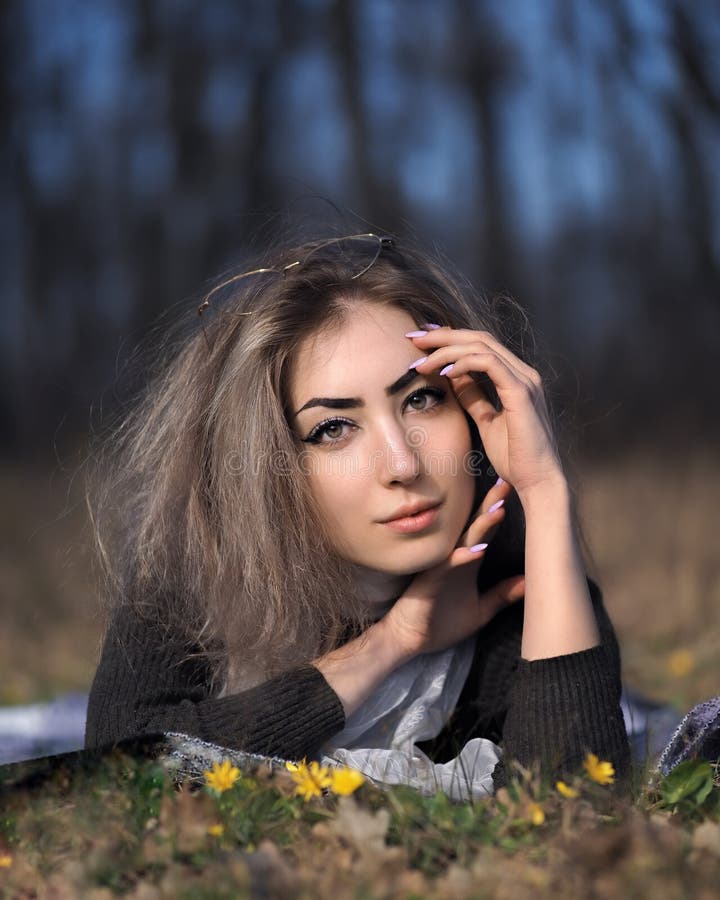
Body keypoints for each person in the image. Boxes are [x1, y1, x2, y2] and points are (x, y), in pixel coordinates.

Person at [84, 232, 630, 798]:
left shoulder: (525, 596)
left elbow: (580, 809)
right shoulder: (191, 584)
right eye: (333, 429)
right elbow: (113, 780)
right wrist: (390, 643)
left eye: (421, 399)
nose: (402, 464)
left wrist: (544, 489)